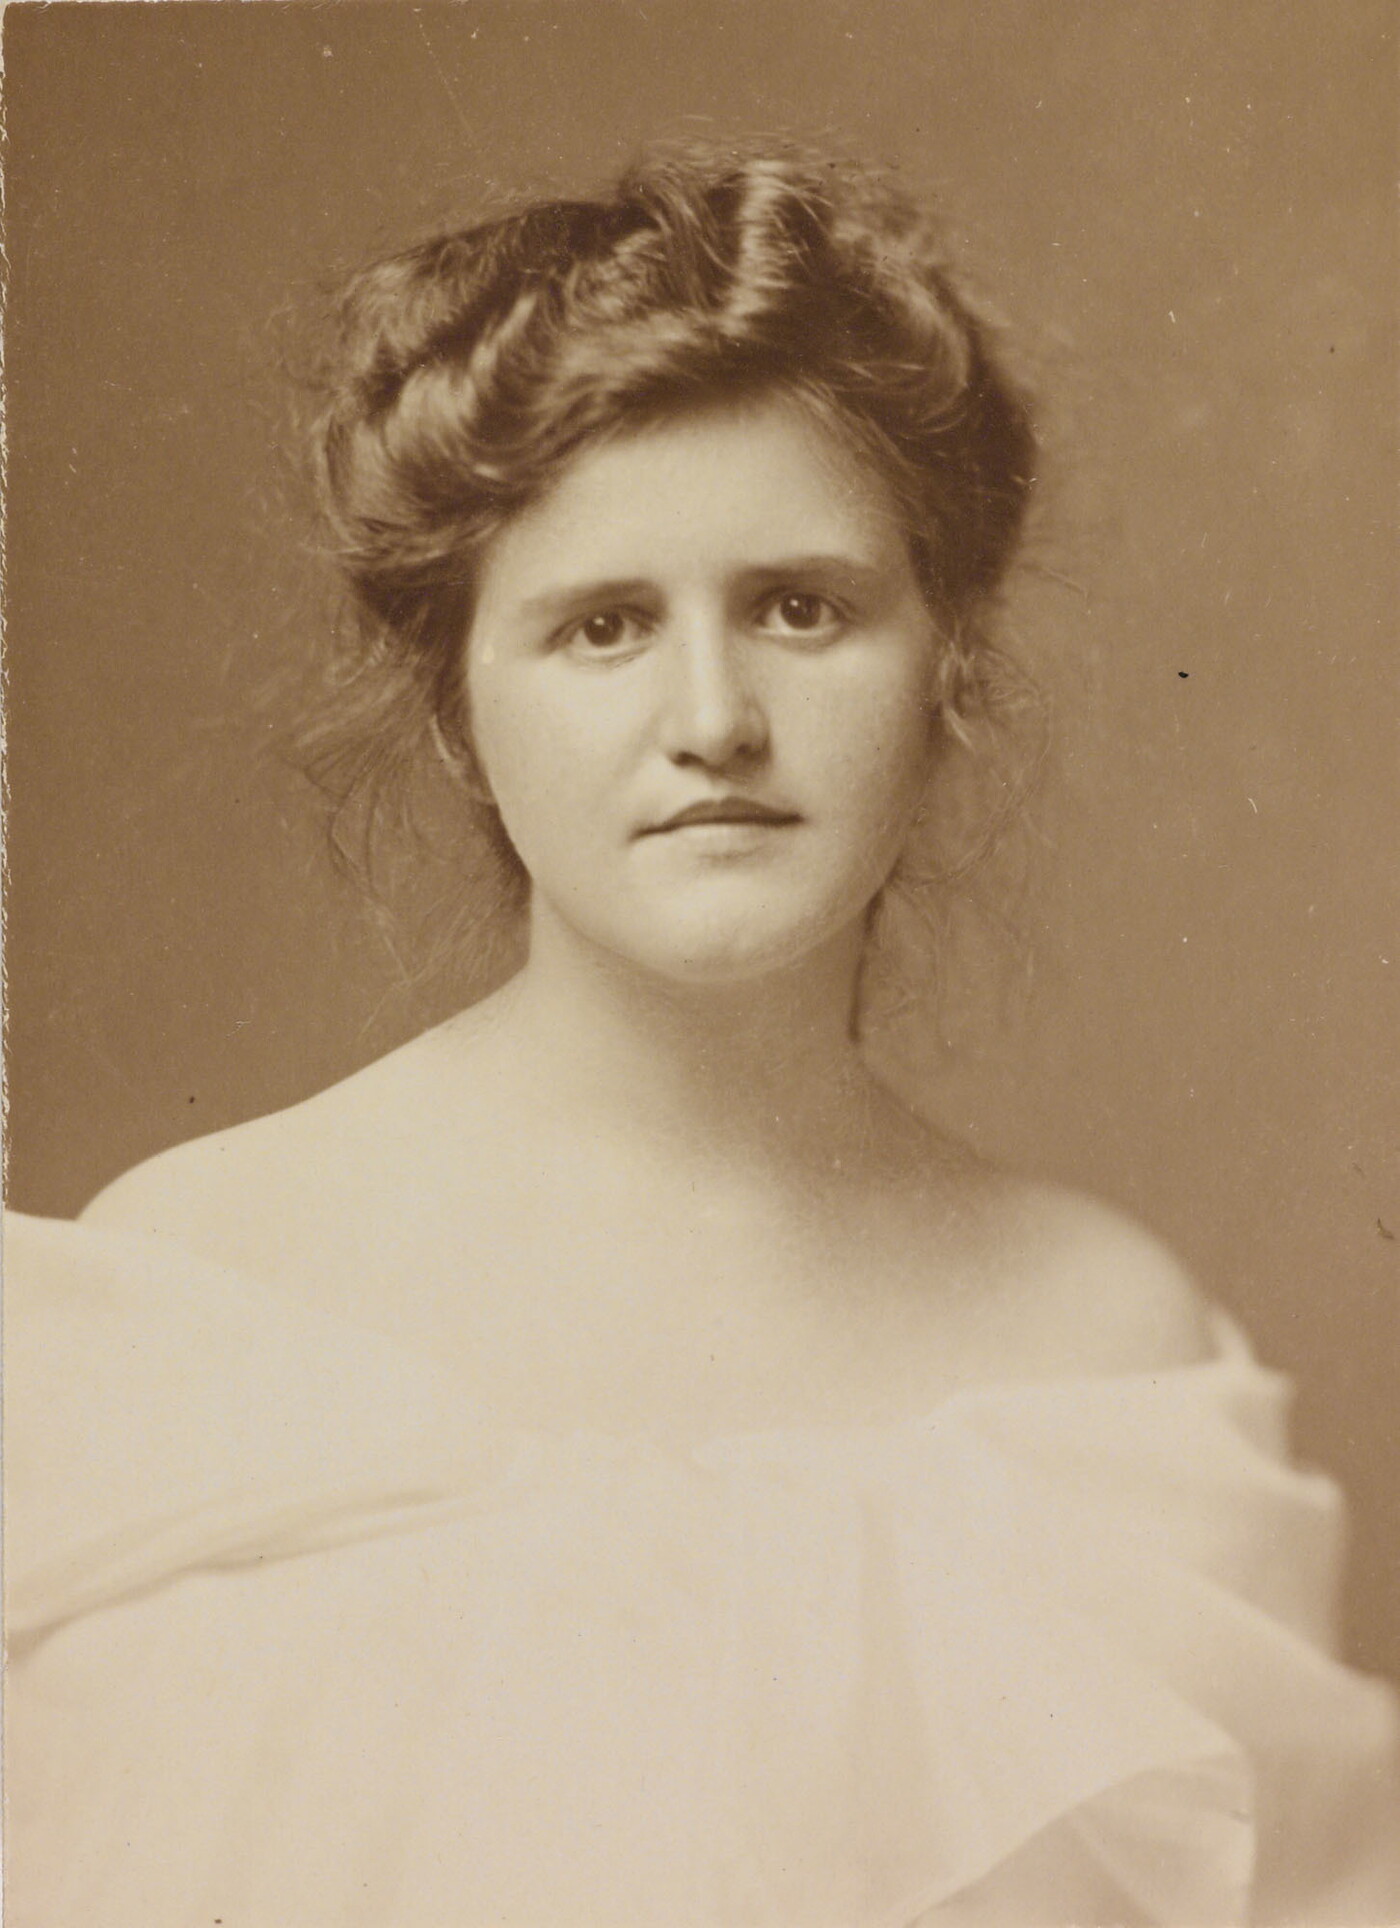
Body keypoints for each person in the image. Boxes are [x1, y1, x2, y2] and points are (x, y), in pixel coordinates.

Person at [6, 138, 1398, 1927]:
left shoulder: (1110, 1346)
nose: (714, 718)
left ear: (945, 659)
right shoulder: (203, 1294)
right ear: (456, 715)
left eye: (801, 608)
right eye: (601, 628)